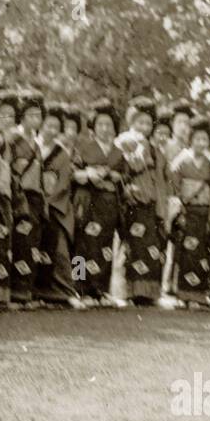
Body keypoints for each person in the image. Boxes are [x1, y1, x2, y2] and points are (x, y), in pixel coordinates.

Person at [167, 118, 210, 308]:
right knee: (185, 253)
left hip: (204, 215)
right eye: (197, 139)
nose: (201, 143)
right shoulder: (181, 161)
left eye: (204, 140)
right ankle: (182, 294)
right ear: (190, 140)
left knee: (202, 254)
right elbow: (174, 186)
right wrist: (177, 211)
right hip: (187, 213)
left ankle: (199, 294)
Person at [116, 97, 170, 306]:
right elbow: (122, 169)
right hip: (133, 201)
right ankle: (127, 291)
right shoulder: (123, 141)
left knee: (151, 249)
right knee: (132, 248)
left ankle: (149, 293)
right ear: (131, 121)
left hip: (151, 203)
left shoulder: (155, 148)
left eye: (148, 123)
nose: (144, 127)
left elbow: (163, 177)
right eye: (140, 122)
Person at [72, 98, 125, 307]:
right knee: (83, 245)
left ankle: (101, 290)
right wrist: (87, 173)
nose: (104, 129)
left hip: (109, 203)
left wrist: (115, 176)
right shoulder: (84, 148)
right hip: (87, 201)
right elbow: (73, 171)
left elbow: (125, 176)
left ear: (114, 129)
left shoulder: (119, 153)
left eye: (109, 125)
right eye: (100, 124)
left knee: (105, 247)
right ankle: (80, 289)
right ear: (93, 126)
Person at [34, 103, 82, 309]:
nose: (51, 130)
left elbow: (63, 184)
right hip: (32, 203)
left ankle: (66, 291)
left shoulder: (62, 154)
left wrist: (48, 202)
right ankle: (34, 291)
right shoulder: (32, 146)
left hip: (55, 207)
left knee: (60, 250)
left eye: (56, 127)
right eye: (48, 125)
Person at [9, 90, 45, 310]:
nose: (35, 119)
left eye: (38, 115)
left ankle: (27, 292)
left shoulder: (37, 144)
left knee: (32, 245)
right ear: (22, 115)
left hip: (35, 198)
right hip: (19, 196)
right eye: (30, 114)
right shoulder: (14, 138)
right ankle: (16, 293)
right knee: (19, 243)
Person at [0, 88, 18, 310]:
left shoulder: (7, 138)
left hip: (5, 193)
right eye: (3, 113)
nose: (7, 118)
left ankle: (1, 294)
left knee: (4, 242)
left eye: (11, 114)